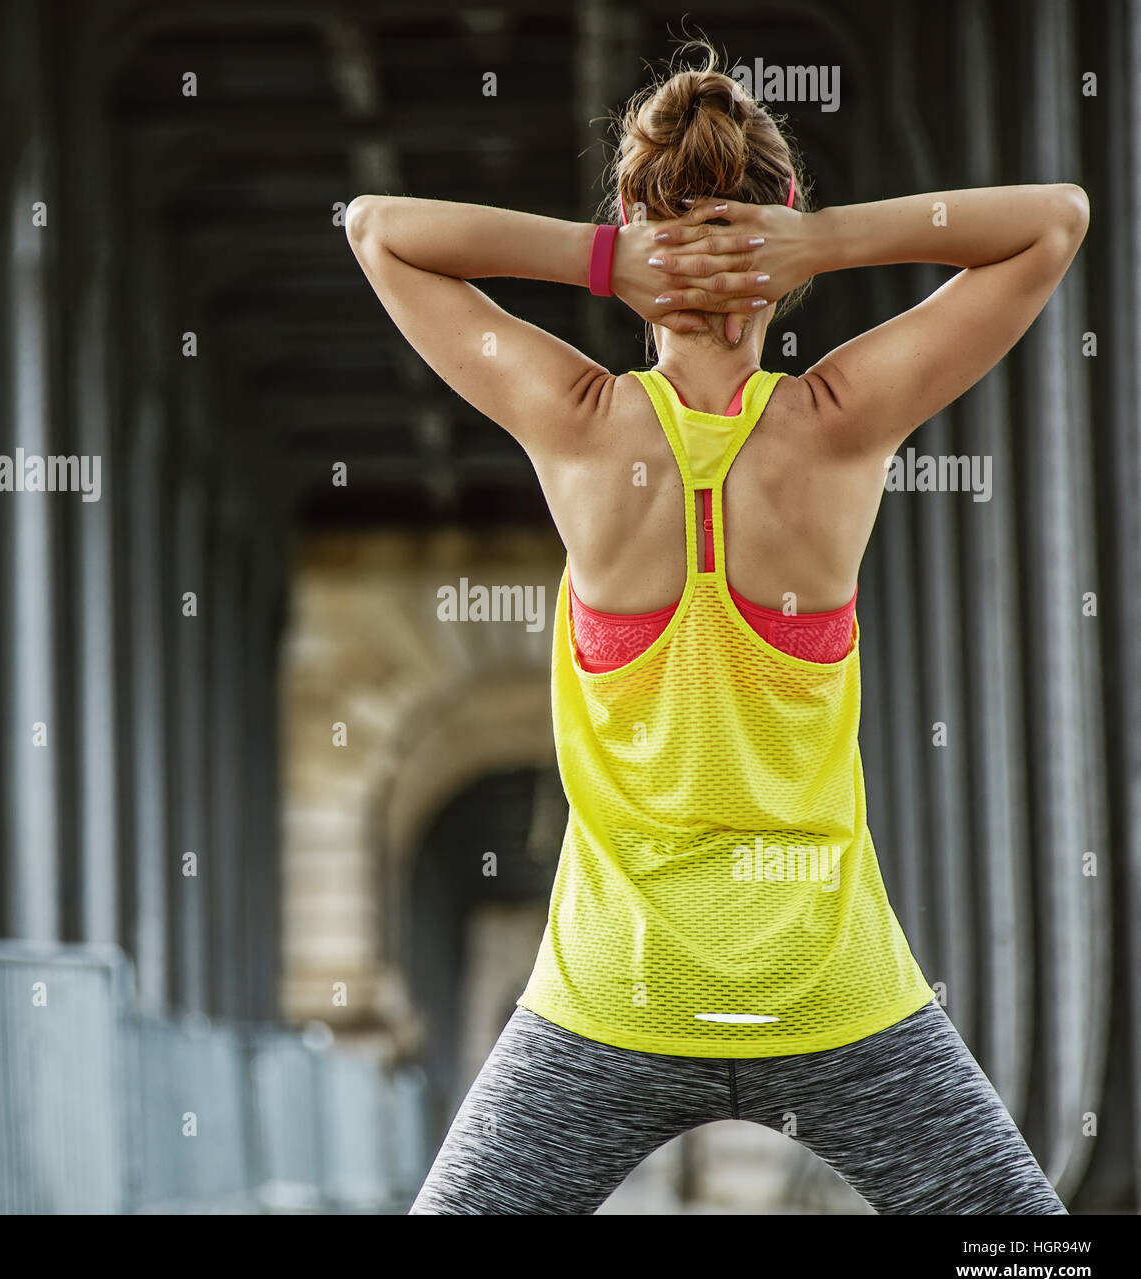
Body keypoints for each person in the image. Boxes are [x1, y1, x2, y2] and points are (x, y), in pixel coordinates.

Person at [345, 41, 1086, 1215]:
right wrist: (826, 242)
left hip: (611, 1001)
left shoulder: (579, 425)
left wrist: (601, 261)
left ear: (638, 227)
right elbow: (1053, 220)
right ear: (779, 248)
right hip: (832, 993)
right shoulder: (836, 426)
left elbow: (379, 227)